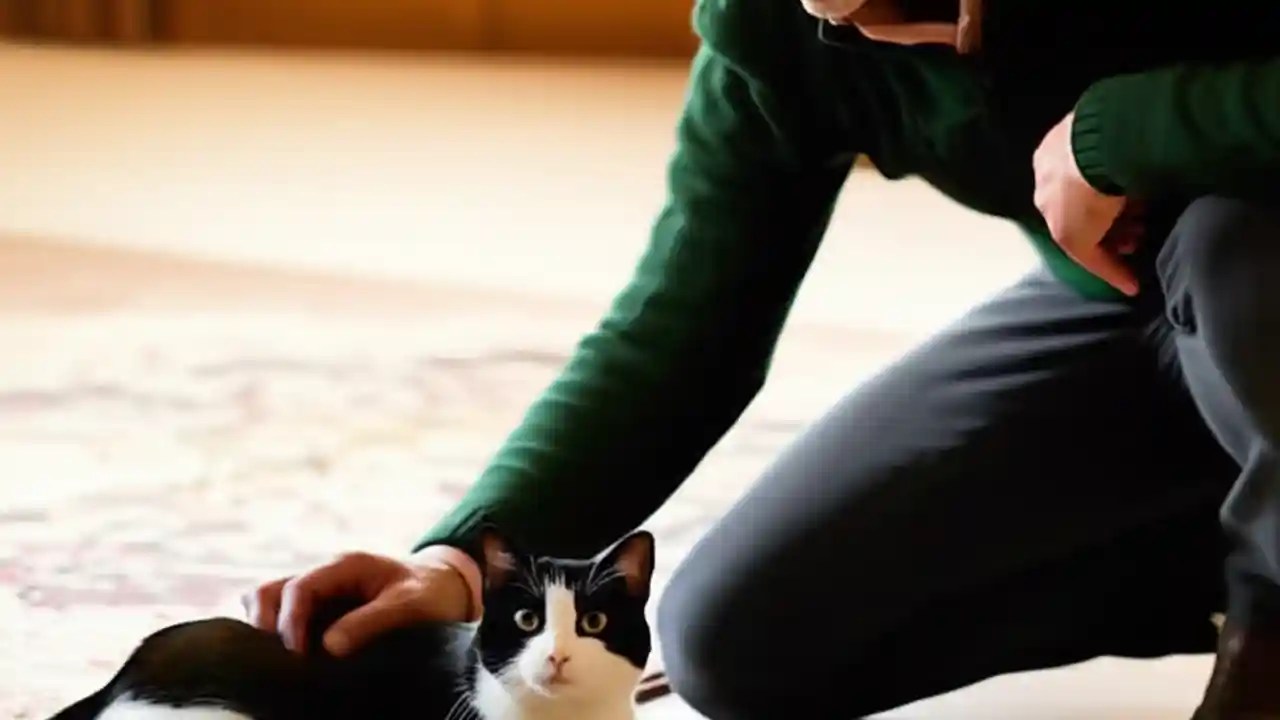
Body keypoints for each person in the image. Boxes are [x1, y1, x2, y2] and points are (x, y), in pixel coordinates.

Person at [244, 1, 1280, 717]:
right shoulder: (780, 28)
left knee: (1237, 235)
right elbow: (685, 321)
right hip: (1128, 312)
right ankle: (1240, 550)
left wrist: (1122, 129)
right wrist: (465, 561)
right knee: (737, 644)